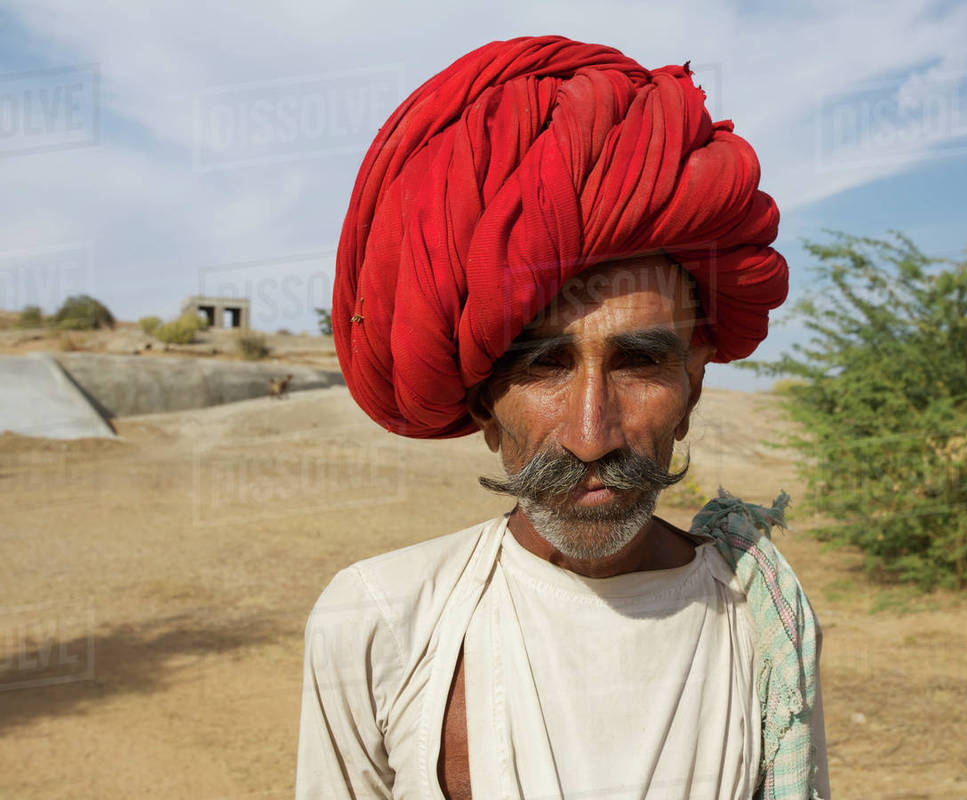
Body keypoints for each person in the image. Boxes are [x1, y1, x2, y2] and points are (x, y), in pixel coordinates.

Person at [296, 35, 830, 800]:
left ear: (694, 385)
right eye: (542, 365)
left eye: (640, 361)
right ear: (484, 401)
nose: (591, 433)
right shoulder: (378, 620)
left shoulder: (762, 624)